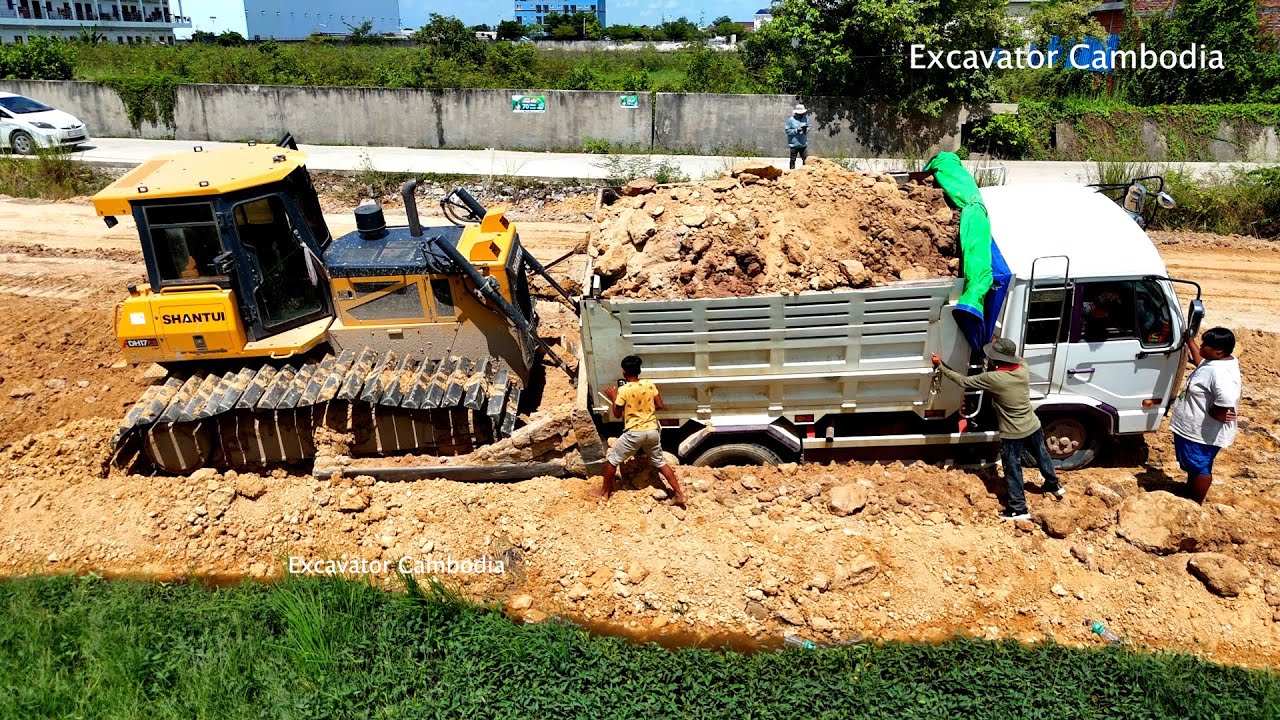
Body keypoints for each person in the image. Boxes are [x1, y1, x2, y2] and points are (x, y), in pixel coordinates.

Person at [932, 337, 1064, 521]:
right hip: (1033, 424)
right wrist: (1000, 345)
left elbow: (963, 381)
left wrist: (941, 366)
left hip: (1013, 433)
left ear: (998, 360)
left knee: (1013, 469)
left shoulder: (994, 378)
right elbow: (1015, 357)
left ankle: (1019, 509)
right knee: (1042, 455)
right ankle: (1054, 485)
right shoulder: (1023, 367)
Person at [589, 355, 687, 506]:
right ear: (639, 370)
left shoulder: (624, 390)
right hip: (652, 431)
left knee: (612, 461)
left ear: (624, 372)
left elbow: (617, 414)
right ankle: (679, 494)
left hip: (635, 432)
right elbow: (660, 405)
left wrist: (614, 398)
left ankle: (604, 493)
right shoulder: (649, 384)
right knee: (660, 462)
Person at [1170, 327, 1240, 504]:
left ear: (1219, 351)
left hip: (1201, 433)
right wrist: (1190, 342)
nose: (1201, 347)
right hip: (1194, 429)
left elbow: (1227, 396)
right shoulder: (1216, 362)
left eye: (1205, 345)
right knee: (1194, 466)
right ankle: (1188, 491)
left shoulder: (1220, 372)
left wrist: (1217, 411)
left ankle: (1194, 503)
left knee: (1200, 467)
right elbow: (1201, 363)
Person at [784, 103, 810, 169]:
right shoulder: (791, 120)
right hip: (793, 144)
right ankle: (792, 173)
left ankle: (805, 173)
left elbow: (809, 127)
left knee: (806, 160)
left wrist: (805, 130)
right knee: (793, 160)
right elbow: (787, 130)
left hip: (803, 144)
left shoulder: (806, 119)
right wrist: (796, 130)